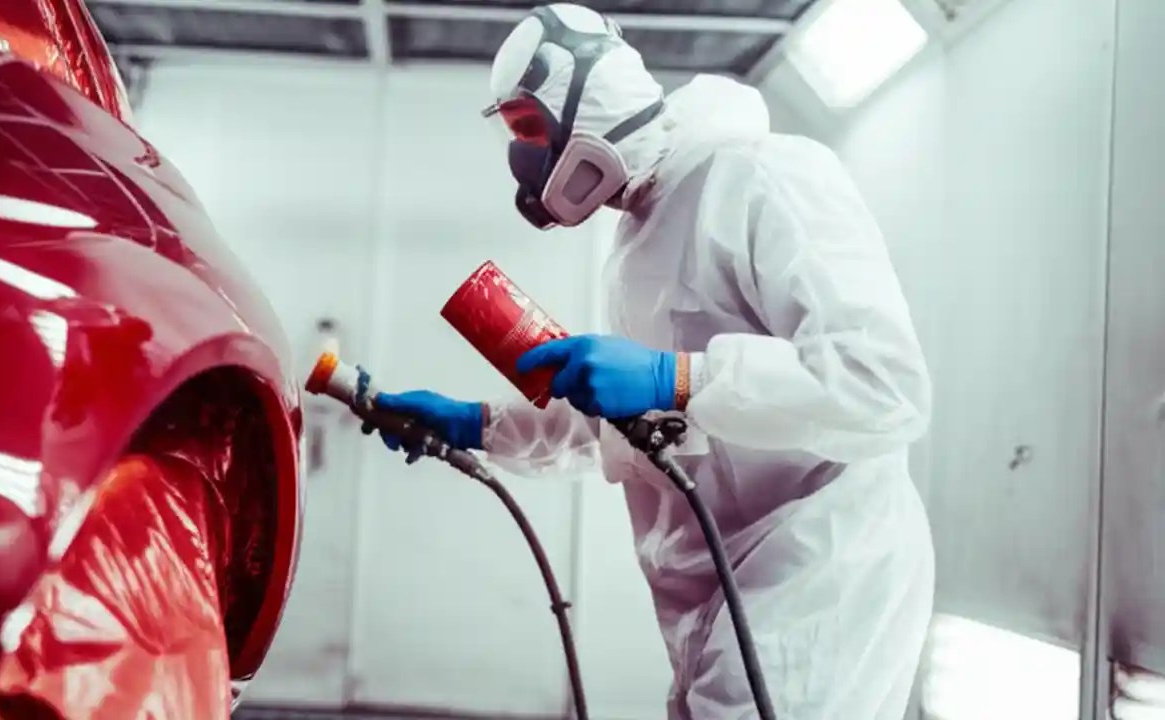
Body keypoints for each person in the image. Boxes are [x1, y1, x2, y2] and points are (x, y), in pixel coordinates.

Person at [375, 4, 935, 718]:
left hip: (819, 568)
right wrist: (476, 424)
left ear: (589, 100)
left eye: (526, 126)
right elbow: (637, 430)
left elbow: (884, 386)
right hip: (717, 586)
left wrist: (676, 377)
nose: (520, 154)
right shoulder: (639, 234)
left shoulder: (766, 176)